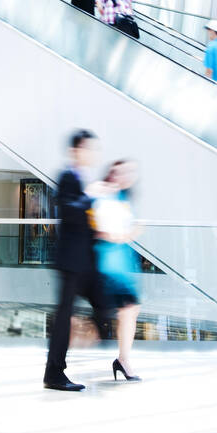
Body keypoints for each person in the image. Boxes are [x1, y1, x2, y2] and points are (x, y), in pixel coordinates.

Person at [44, 129, 114, 391]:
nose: (93, 154)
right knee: (63, 317)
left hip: (87, 260)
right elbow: (70, 211)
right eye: (89, 148)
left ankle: (85, 333)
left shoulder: (88, 179)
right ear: (76, 151)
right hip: (71, 261)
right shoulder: (68, 176)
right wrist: (91, 196)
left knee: (104, 306)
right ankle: (54, 374)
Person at [89, 159, 143, 381]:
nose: (129, 176)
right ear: (113, 174)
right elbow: (101, 230)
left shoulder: (123, 197)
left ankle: (123, 360)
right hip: (107, 263)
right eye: (124, 171)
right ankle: (122, 360)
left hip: (121, 263)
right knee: (121, 311)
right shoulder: (103, 194)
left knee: (129, 310)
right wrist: (128, 234)